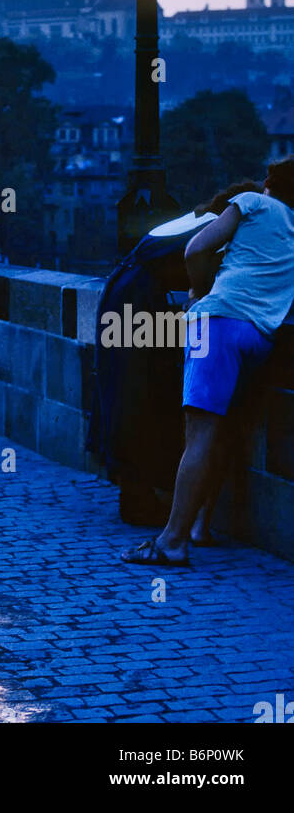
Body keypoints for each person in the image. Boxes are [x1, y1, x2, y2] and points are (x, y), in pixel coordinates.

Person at [122, 156, 294, 567]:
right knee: (224, 428)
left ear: (269, 182)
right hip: (261, 335)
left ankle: (172, 541)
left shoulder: (252, 202)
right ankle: (200, 525)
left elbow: (196, 247)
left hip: (214, 322)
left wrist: (199, 291)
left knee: (198, 432)